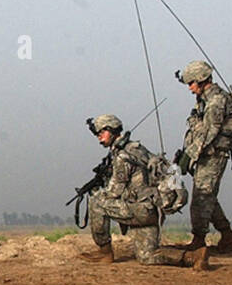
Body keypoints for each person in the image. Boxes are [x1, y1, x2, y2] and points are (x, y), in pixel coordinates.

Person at [85, 114, 209, 269]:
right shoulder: (136, 148)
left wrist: (98, 189)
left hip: (140, 210)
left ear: (112, 130)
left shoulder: (122, 156)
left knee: (96, 202)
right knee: (147, 255)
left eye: (101, 132)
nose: (99, 137)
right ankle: (193, 257)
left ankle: (105, 253)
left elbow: (114, 191)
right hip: (150, 210)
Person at [176, 61, 232, 253]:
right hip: (206, 154)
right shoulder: (205, 100)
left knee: (202, 197)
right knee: (207, 195)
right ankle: (228, 235)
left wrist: (190, 156)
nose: (189, 88)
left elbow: (209, 133)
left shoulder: (216, 102)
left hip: (214, 155)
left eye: (191, 83)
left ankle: (199, 240)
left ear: (201, 80)